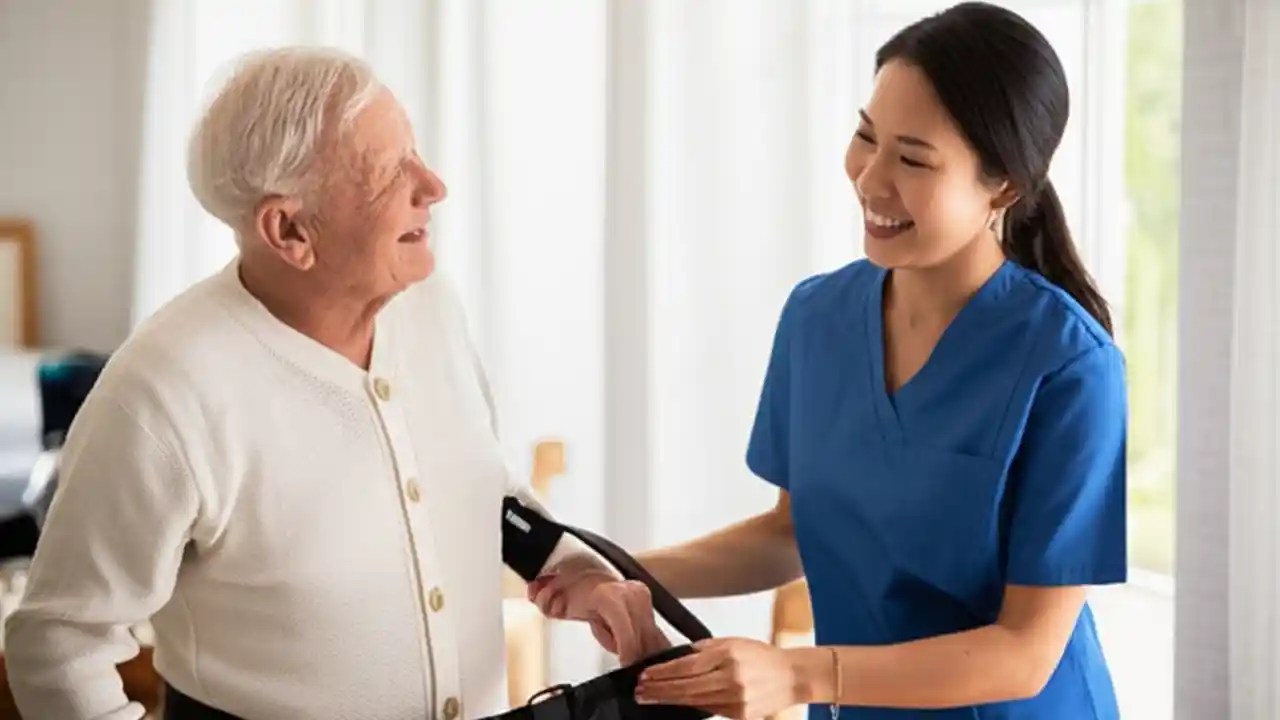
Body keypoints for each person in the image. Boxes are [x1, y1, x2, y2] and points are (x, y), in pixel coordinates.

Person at [4, 47, 665, 720]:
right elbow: (57, 645)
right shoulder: (163, 392)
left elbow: (472, 483)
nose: (433, 185)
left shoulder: (430, 305)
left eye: (416, 151)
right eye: (388, 173)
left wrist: (567, 566)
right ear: (289, 229)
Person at [531, 3, 1127, 718]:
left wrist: (799, 675)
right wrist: (625, 572)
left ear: (1002, 185)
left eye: (912, 159)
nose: (871, 180)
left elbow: (1026, 652)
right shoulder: (817, 319)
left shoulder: (1068, 366)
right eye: (866, 137)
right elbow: (791, 533)